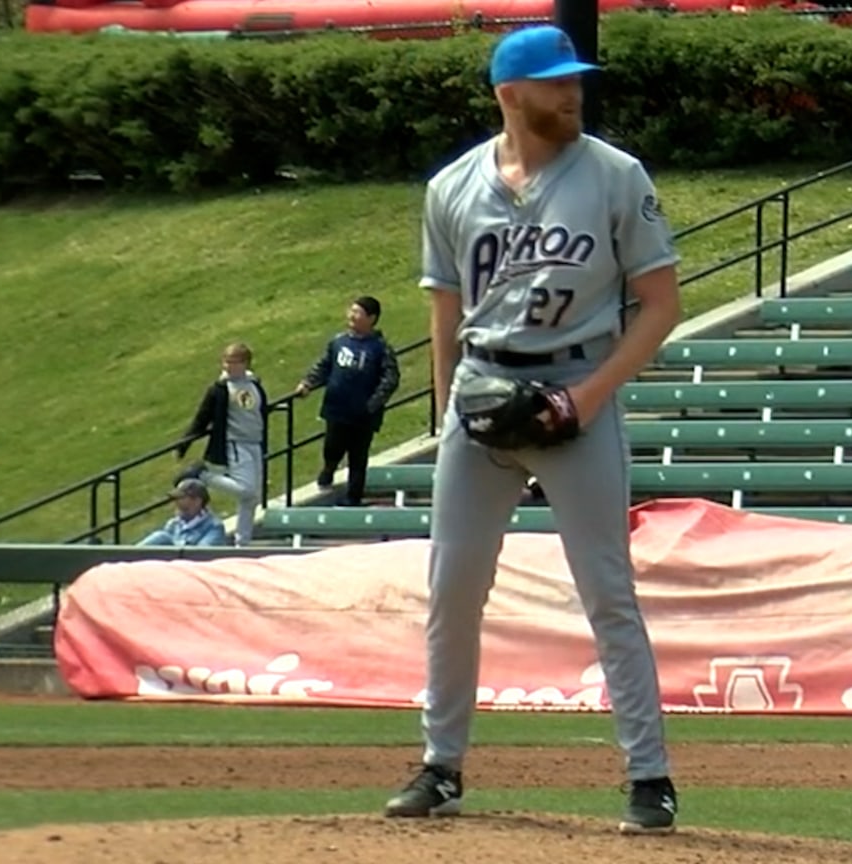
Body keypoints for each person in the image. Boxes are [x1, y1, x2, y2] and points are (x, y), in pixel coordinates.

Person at [381, 24, 684, 835]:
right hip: (483, 396)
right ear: (509, 94)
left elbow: (660, 307)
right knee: (452, 592)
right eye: (554, 82)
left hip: (576, 388)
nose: (571, 92)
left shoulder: (616, 177)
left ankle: (649, 778)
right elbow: (444, 313)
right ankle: (440, 766)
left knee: (607, 594)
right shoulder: (451, 187)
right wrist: (453, 410)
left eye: (575, 79)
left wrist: (588, 399)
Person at [294, 296, 401, 506]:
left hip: (363, 414)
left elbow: (390, 379)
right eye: (351, 311)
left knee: (358, 457)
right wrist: (308, 383)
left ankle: (354, 496)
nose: (352, 316)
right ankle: (328, 469)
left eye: (358, 313)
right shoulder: (339, 342)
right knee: (332, 446)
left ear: (372, 318)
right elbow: (324, 366)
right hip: (336, 408)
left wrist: (372, 404)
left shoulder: (380, 348)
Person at [176, 342, 270, 546]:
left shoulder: (254, 384)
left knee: (252, 497)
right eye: (225, 362)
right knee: (245, 489)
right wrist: (185, 442)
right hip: (236, 443)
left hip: (255, 443)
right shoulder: (220, 389)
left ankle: (243, 541)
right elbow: (202, 418)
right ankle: (202, 475)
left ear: (245, 363)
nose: (228, 367)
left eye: (233, 362)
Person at [137, 478, 229, 547]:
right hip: (169, 568)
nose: (176, 502)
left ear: (197, 501)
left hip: (193, 571)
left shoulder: (214, 526)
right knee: (161, 536)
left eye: (181, 498)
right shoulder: (173, 524)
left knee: (162, 537)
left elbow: (201, 555)